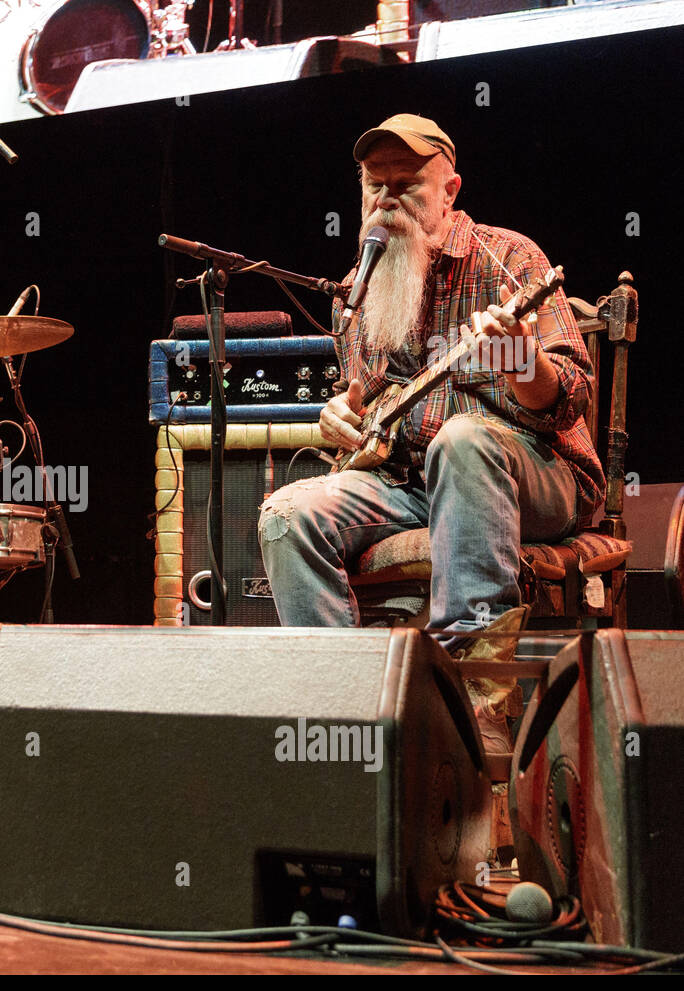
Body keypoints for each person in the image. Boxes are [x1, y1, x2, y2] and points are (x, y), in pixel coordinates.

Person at [257, 114, 604, 753]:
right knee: (288, 512)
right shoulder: (358, 290)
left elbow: (572, 398)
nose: (386, 199)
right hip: (413, 482)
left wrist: (525, 364)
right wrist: (347, 421)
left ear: (450, 190)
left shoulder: (510, 257)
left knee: (464, 440)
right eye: (374, 185)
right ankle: (350, 715)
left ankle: (473, 702)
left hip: (538, 474)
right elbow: (371, 417)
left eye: (407, 183)